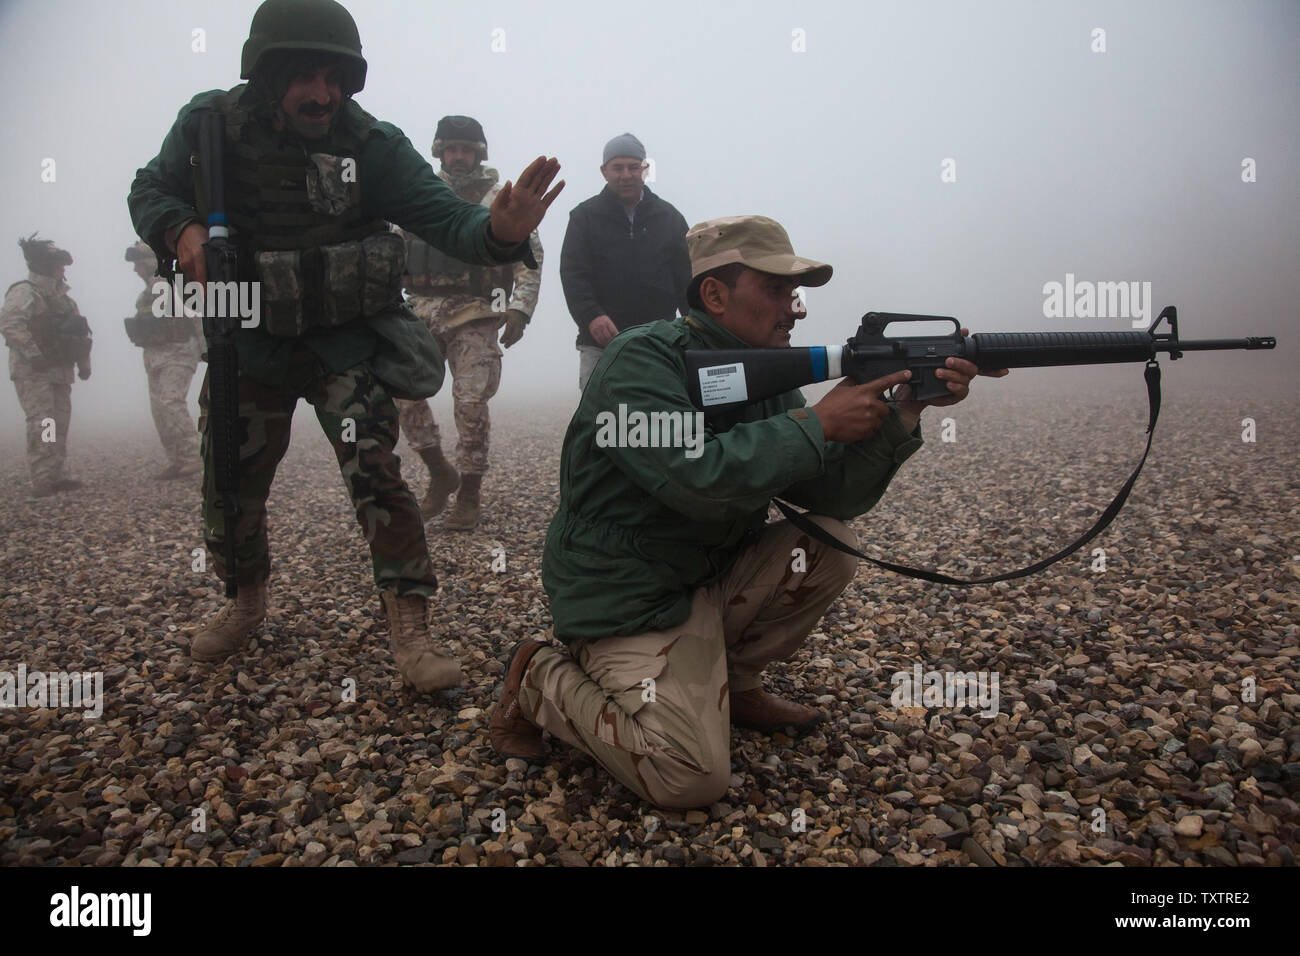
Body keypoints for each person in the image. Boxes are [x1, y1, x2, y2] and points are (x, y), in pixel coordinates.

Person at [490, 215, 1003, 809]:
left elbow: (833, 496)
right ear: (714, 294)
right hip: (627, 599)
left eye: (795, 293)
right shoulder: (640, 362)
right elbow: (695, 477)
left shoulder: (761, 370)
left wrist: (906, 413)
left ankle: (732, 680)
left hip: (703, 577)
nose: (796, 309)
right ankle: (538, 678)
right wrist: (815, 424)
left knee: (828, 543)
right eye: (778, 290)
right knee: (690, 777)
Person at [127, 0, 562, 689]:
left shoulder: (371, 144)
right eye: (303, 75)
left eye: (334, 77)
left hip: (344, 342)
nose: (321, 93)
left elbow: (444, 217)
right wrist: (179, 230)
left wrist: (499, 233)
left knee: (377, 475)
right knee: (229, 482)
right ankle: (244, 601)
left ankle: (410, 624)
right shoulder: (211, 126)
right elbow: (150, 187)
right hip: (251, 340)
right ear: (265, 74)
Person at [396, 115, 543, 530]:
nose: (458, 157)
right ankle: (440, 470)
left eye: (467, 149)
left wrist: (520, 309)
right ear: (439, 150)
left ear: (480, 153)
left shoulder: (501, 199)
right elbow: (391, 249)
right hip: (420, 308)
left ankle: (469, 497)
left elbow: (529, 259)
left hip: (475, 312)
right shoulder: (418, 196)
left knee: (471, 403)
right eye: (451, 148)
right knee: (403, 395)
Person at [559, 133, 690, 391]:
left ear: (645, 169)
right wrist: (591, 316)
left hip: (660, 341)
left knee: (660, 421)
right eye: (617, 168)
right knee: (600, 421)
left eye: (633, 167)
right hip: (600, 343)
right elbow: (573, 274)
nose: (626, 175)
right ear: (604, 171)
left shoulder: (670, 218)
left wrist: (694, 328)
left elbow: (687, 279)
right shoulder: (583, 217)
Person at [1, 235, 91, 498]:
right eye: (58, 265)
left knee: (59, 422)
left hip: (60, 371)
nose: (63, 270)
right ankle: (43, 478)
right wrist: (33, 354)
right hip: (34, 373)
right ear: (45, 265)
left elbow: (80, 335)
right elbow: (9, 324)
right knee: (44, 423)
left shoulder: (64, 300)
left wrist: (84, 364)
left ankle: (57, 473)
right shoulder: (25, 292)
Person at [123, 241, 203, 479]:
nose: (135, 269)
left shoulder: (170, 285)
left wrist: (205, 347)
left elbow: (195, 314)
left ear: (149, 263)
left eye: (138, 263)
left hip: (178, 352)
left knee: (171, 402)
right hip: (154, 356)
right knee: (159, 410)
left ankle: (193, 457)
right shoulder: (145, 294)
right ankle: (178, 461)